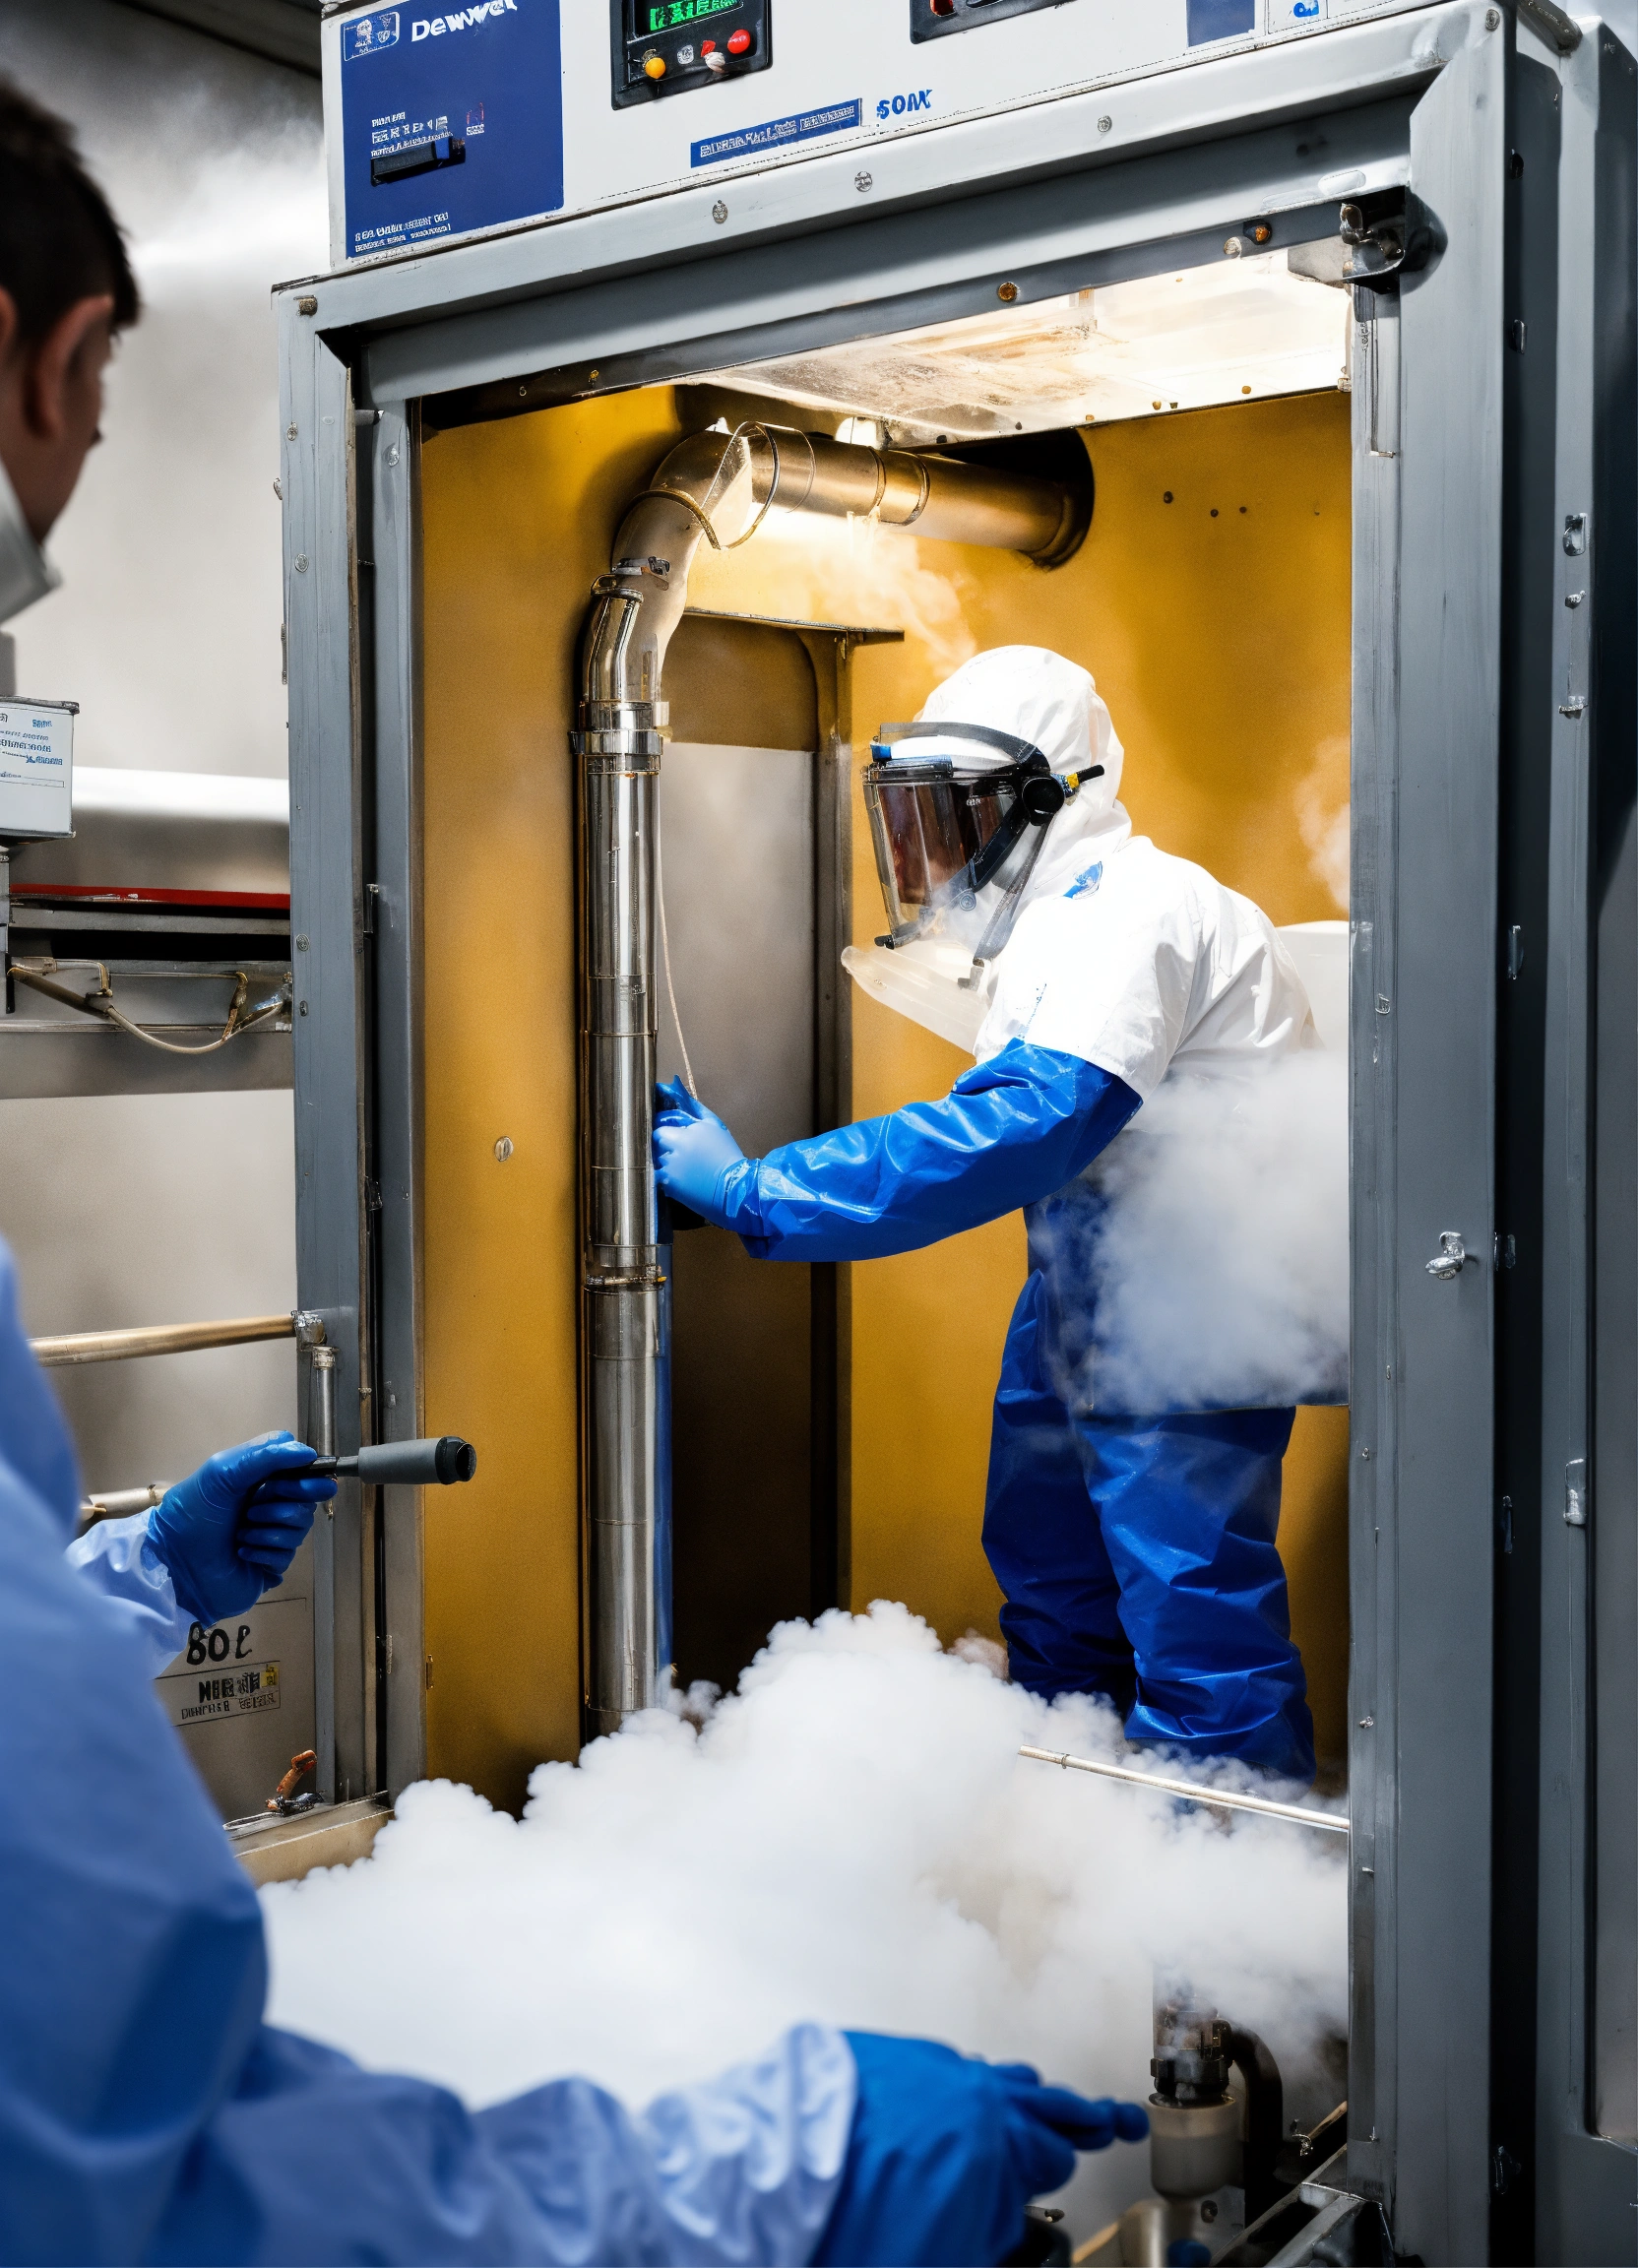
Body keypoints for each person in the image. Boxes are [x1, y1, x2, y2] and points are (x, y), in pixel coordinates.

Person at [0, 79, 1147, 2266]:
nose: (69, 476)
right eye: (91, 410)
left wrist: (116, 1595)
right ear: (48, 356)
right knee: (1084, 1601)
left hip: (1149, 1334)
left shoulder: (1139, 918)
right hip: (1081, 1333)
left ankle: (1216, 1908)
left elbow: (1015, 1130)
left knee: (1165, 1649)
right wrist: (760, 2179)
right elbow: (125, 2195)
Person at [656, 645, 1324, 1786]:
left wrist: (759, 1190)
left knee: (1191, 1632)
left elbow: (1023, 1125)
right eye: (908, 820)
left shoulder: (1135, 908)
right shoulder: (1050, 926)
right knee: (1057, 1603)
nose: (924, 855)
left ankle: (1220, 1948)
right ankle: (1080, 1896)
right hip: (1088, 1284)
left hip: (1191, 1304)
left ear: (1050, 804)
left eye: (951, 817)